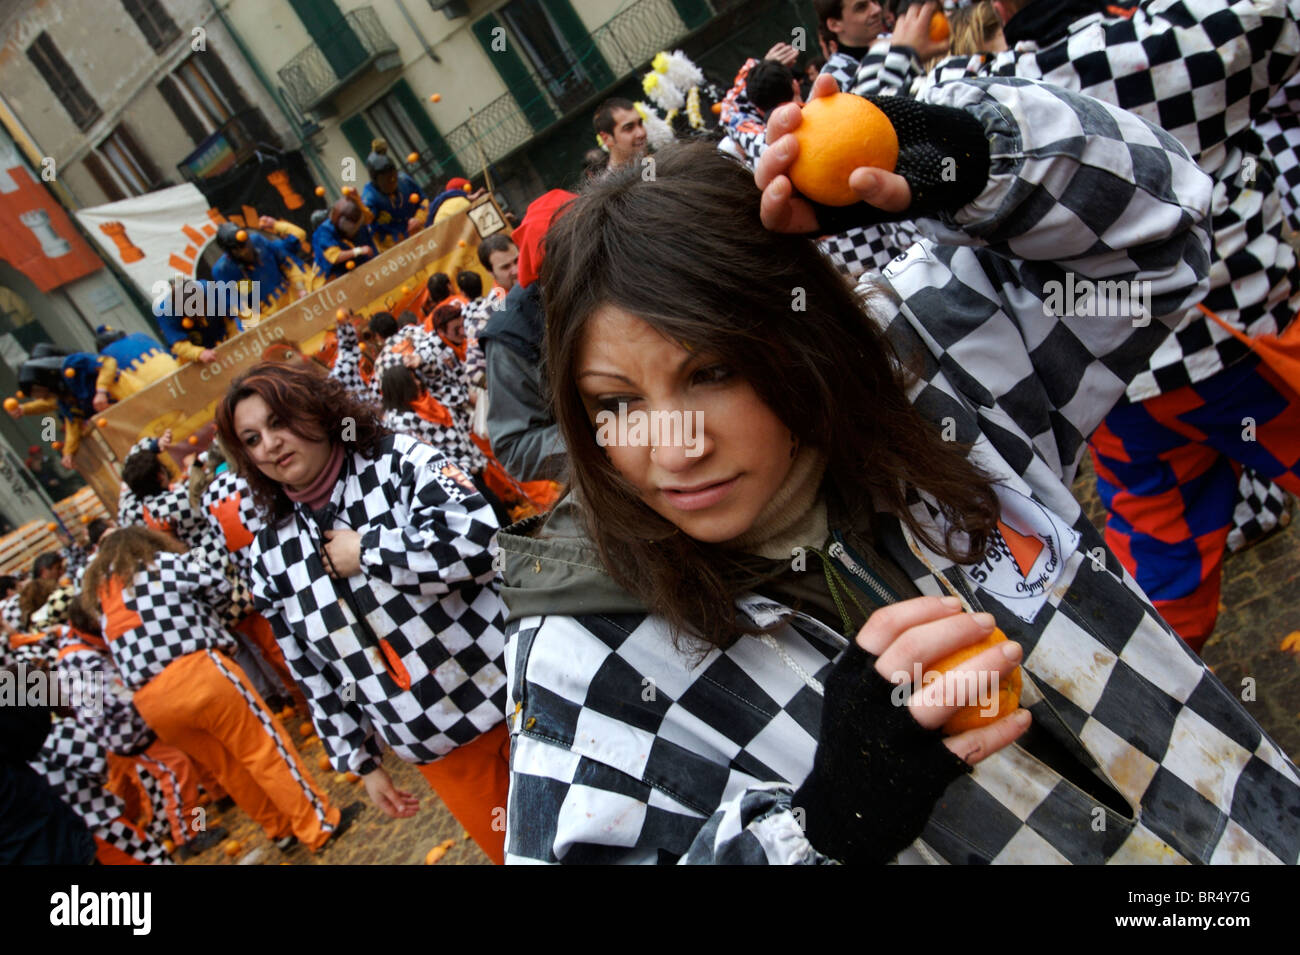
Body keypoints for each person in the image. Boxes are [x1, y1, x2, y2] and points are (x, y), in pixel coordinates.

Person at [501, 76, 1299, 865]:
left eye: (713, 371)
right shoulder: (584, 652)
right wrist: (816, 834)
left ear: (797, 336)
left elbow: (1163, 232)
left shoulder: (922, 368)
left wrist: (969, 159)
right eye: (616, 402)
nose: (675, 449)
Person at [852, 0, 1300, 653]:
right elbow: (1262, 21)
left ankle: (1153, 681)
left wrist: (900, 56)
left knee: (1162, 552)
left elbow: (868, 134)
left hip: (1108, 382)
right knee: (1162, 543)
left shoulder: (955, 85)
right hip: (1232, 342)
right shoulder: (1146, 43)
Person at [214, 362, 512, 863]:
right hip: (439, 746)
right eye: (252, 438)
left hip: (524, 702)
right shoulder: (270, 556)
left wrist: (370, 551)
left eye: (279, 421)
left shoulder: (398, 462)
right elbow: (313, 671)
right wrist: (362, 760)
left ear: (316, 409)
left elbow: (481, 543)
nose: (269, 444)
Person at [80, 525, 352, 853]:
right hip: (196, 673)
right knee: (263, 750)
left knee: (226, 769)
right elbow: (219, 584)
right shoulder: (159, 564)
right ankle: (318, 826)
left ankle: (278, 831)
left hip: (149, 704)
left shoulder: (103, 598)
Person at [480, 191, 574, 484]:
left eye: (515, 262)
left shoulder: (627, 278)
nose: (512, 271)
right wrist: (604, 436)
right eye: (503, 267)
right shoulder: (508, 327)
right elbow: (515, 448)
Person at [211, 219, 321, 324]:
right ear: (230, 252)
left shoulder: (258, 241)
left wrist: (300, 288)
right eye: (239, 249)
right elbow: (237, 306)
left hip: (291, 295)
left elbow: (288, 265)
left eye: (246, 243)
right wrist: (264, 323)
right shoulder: (222, 271)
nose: (246, 250)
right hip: (267, 314)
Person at [361, 139, 426, 251]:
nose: (391, 182)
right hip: (392, 248)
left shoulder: (404, 181)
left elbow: (423, 200)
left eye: (394, 177)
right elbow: (367, 220)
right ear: (376, 181)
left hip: (418, 235)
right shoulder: (370, 196)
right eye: (385, 180)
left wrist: (419, 218)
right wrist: (356, 200)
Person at [312, 197, 375, 281]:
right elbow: (335, 256)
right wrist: (359, 251)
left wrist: (357, 200)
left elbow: (369, 219)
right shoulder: (324, 232)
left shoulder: (357, 224)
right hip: (337, 277)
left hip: (366, 269)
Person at [593, 98, 648, 171]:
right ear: (606, 138)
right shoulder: (611, 179)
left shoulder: (654, 165)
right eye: (629, 128)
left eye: (640, 123)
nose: (641, 133)